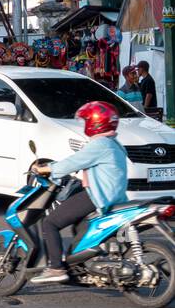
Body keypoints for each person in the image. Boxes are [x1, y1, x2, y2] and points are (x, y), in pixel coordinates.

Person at [30, 101, 129, 284]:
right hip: (115, 197)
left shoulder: (100, 144)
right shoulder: (114, 144)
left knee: (50, 223)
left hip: (98, 197)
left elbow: (73, 162)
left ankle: (56, 268)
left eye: (86, 121)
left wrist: (47, 169)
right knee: (78, 226)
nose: (84, 125)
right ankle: (79, 268)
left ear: (95, 123)